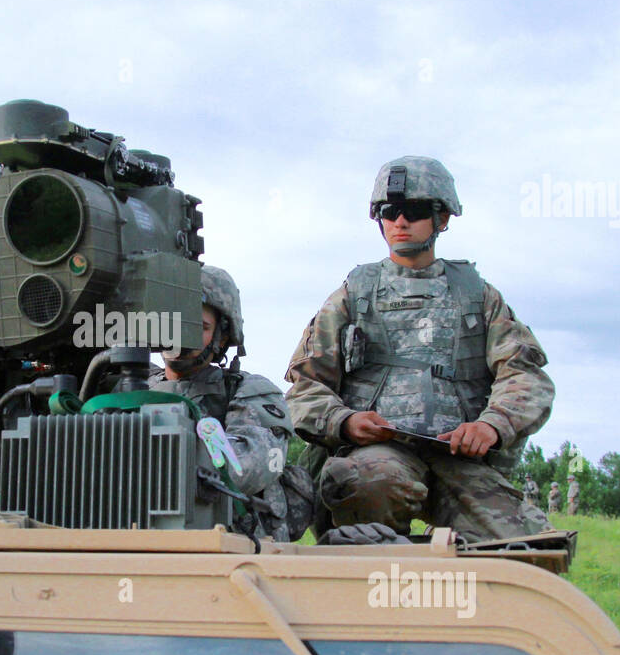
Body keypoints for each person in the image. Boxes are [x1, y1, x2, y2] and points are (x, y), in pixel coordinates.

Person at [284, 156, 554, 543]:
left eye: (414, 211)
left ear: (442, 219)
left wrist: (491, 426)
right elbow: (304, 386)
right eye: (390, 211)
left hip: (460, 459)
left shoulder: (476, 295)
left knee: (527, 547)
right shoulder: (353, 294)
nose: (400, 222)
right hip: (377, 457)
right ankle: (369, 587)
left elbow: (525, 376)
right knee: (362, 482)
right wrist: (343, 421)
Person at [149, 264, 311, 543]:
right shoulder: (129, 385)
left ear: (222, 335)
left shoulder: (248, 391)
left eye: (197, 327)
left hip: (228, 540)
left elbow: (246, 467)